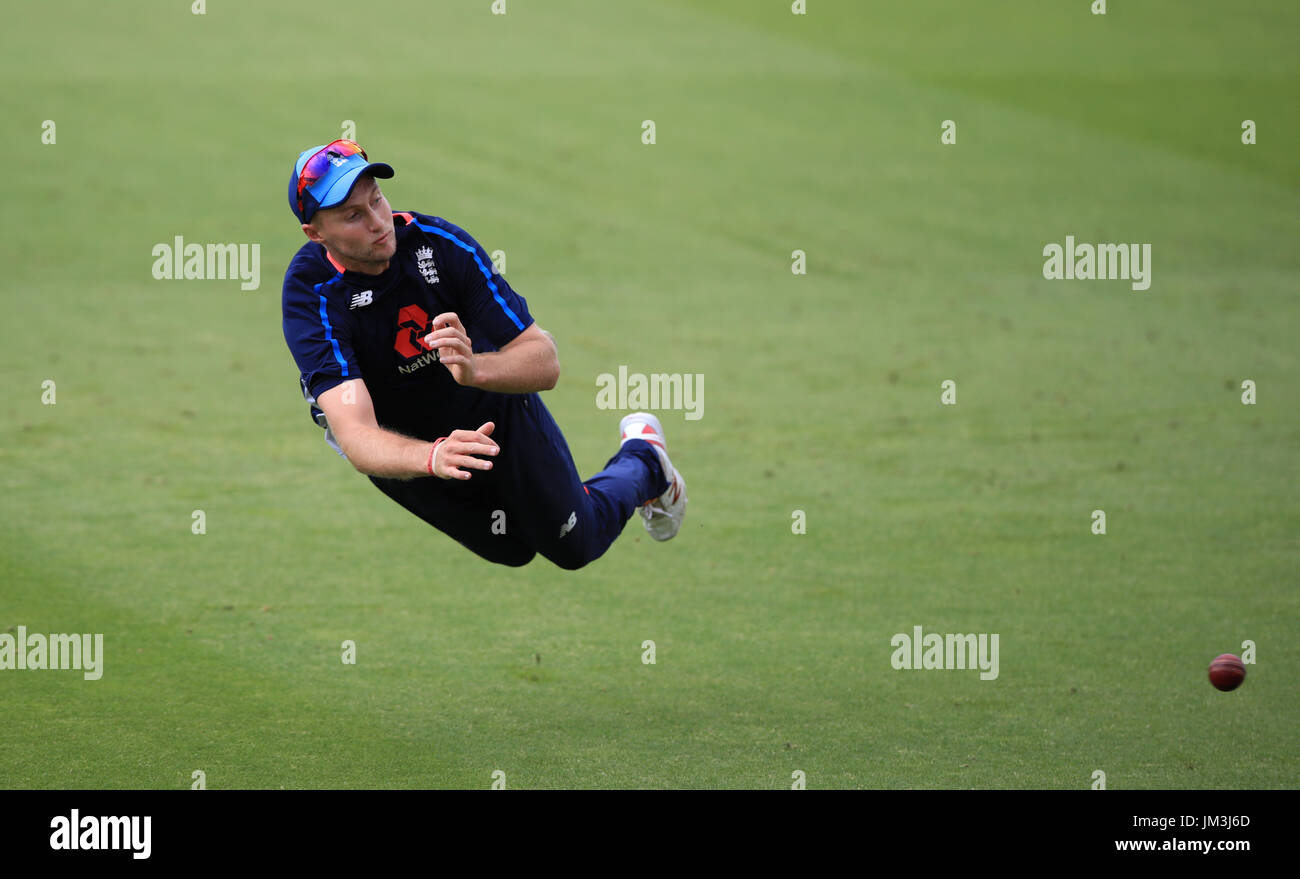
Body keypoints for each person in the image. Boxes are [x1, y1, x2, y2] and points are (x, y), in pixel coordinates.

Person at [281, 140, 687, 569]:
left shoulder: (438, 245)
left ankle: (645, 461)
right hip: (406, 445)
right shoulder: (312, 296)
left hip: (492, 414)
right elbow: (357, 435)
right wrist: (432, 456)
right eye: (353, 216)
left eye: (377, 200)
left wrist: (476, 368)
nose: (378, 222)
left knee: (573, 544)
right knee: (509, 548)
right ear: (316, 234)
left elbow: (544, 361)